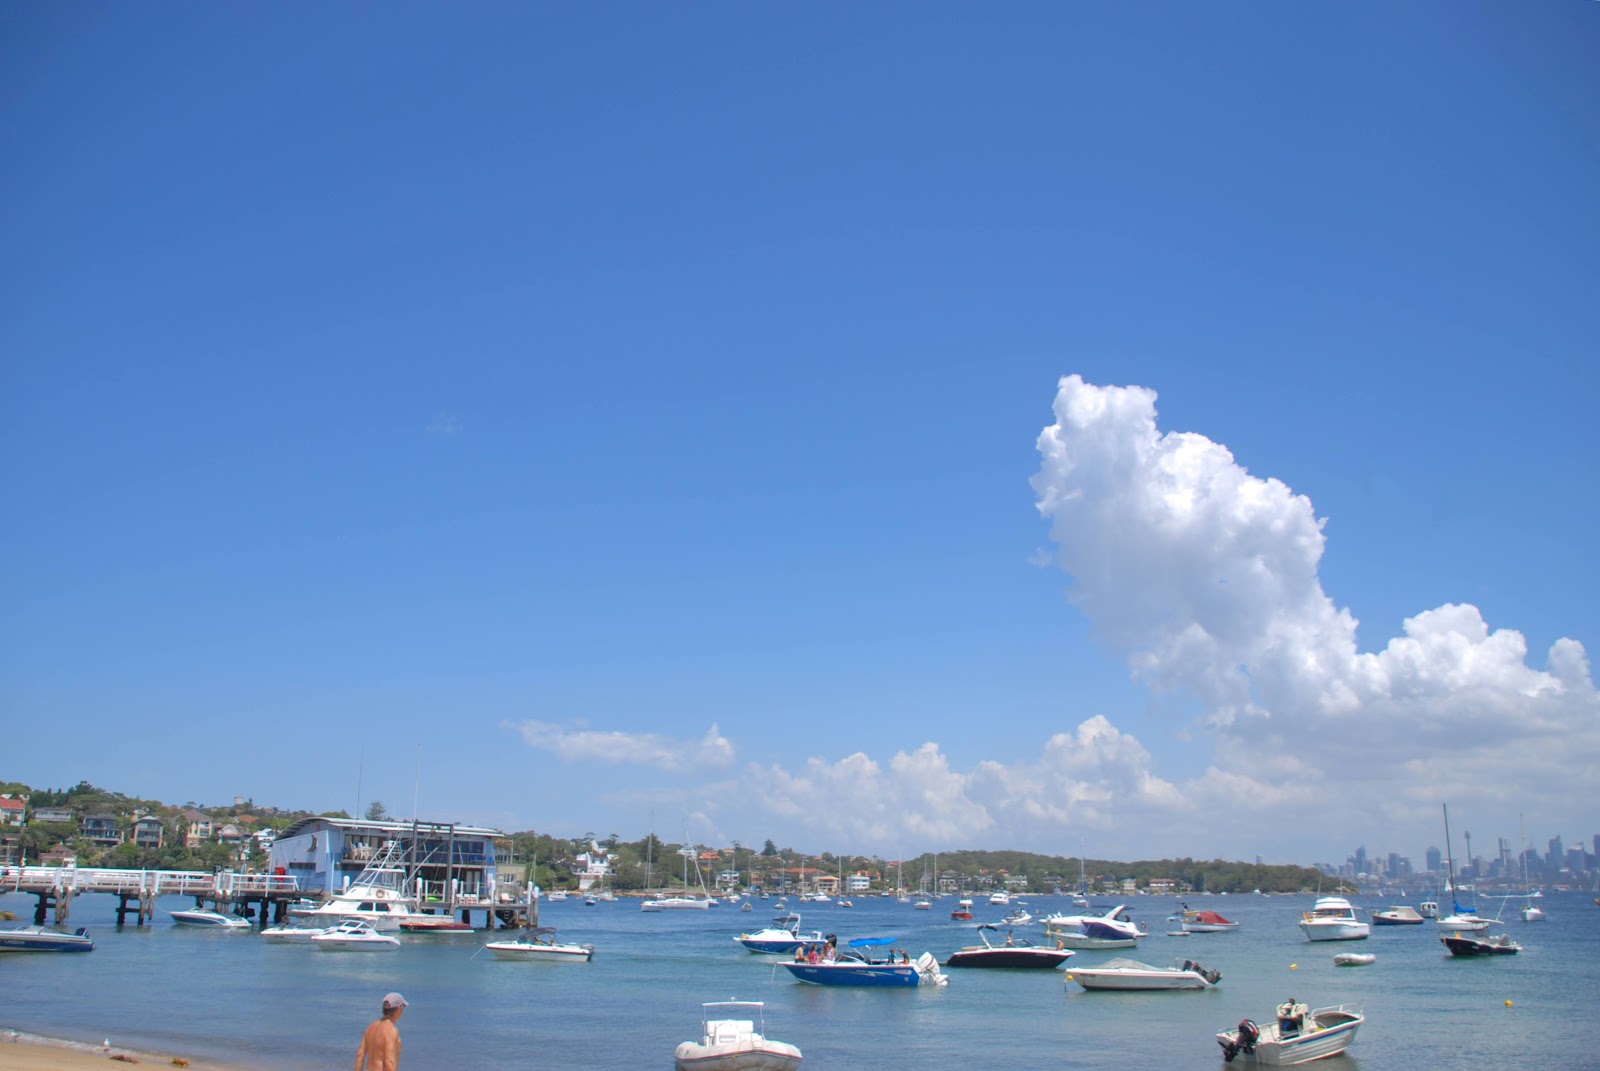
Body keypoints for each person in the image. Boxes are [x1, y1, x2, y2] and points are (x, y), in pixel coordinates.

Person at [355, 992, 406, 1071]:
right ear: (399, 1009)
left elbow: (360, 1055)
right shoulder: (391, 1030)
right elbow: (389, 1061)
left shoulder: (371, 1027)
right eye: (403, 1007)